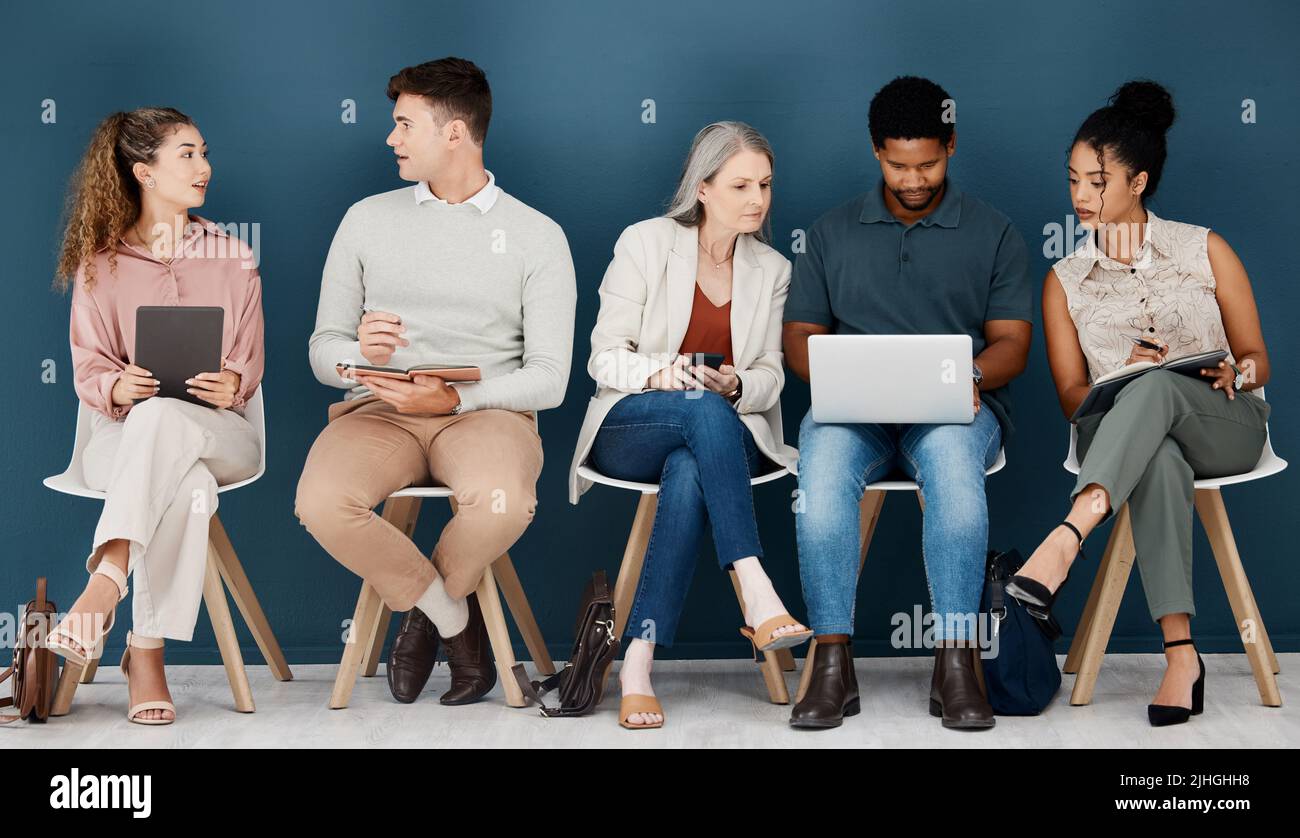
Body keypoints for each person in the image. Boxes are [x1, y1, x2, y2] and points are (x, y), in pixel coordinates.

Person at [295, 57, 576, 707]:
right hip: (379, 409)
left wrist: (456, 398)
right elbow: (321, 349)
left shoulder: (538, 237)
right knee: (320, 502)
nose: (391, 139)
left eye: (403, 125)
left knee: (503, 501)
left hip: (485, 416)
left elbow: (551, 379)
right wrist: (354, 354)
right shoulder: (366, 219)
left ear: (455, 133)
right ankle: (455, 620)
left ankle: (423, 617)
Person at [1007, 80, 1272, 727]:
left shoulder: (1203, 249)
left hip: (1225, 423)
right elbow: (1074, 399)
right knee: (1155, 449)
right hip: (1121, 439)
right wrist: (1124, 373)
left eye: (1097, 182)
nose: (1079, 196)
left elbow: (1258, 356)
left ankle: (1069, 536)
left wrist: (1241, 371)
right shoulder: (1064, 280)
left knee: (1158, 389)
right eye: (1073, 180)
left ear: (1139, 181)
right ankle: (1181, 656)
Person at [783, 76, 1033, 730]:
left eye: (928, 163)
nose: (914, 178)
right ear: (875, 153)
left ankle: (956, 665)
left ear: (951, 144)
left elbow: (1013, 344)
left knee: (955, 476)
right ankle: (832, 663)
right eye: (898, 165)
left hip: (954, 410)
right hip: (851, 413)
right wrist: (844, 373)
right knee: (822, 476)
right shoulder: (832, 232)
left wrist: (969, 375)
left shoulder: (994, 232)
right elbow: (799, 341)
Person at [569, 122, 804, 730]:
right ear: (703, 187)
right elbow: (603, 356)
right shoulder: (645, 243)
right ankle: (755, 586)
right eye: (741, 185)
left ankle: (638, 664)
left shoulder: (772, 268)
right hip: (633, 424)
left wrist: (738, 385)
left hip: (720, 436)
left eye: (766, 185)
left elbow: (773, 376)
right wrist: (662, 374)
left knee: (691, 464)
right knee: (700, 412)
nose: (757, 199)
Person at [47, 107, 264, 725]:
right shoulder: (100, 264)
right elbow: (88, 370)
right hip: (123, 437)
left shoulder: (234, 256)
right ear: (144, 172)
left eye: (204, 152)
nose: (205, 167)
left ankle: (104, 582)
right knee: (183, 478)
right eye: (188, 155)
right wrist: (121, 385)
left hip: (224, 435)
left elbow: (250, 365)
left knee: (171, 427)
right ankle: (146, 655)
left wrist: (233, 384)